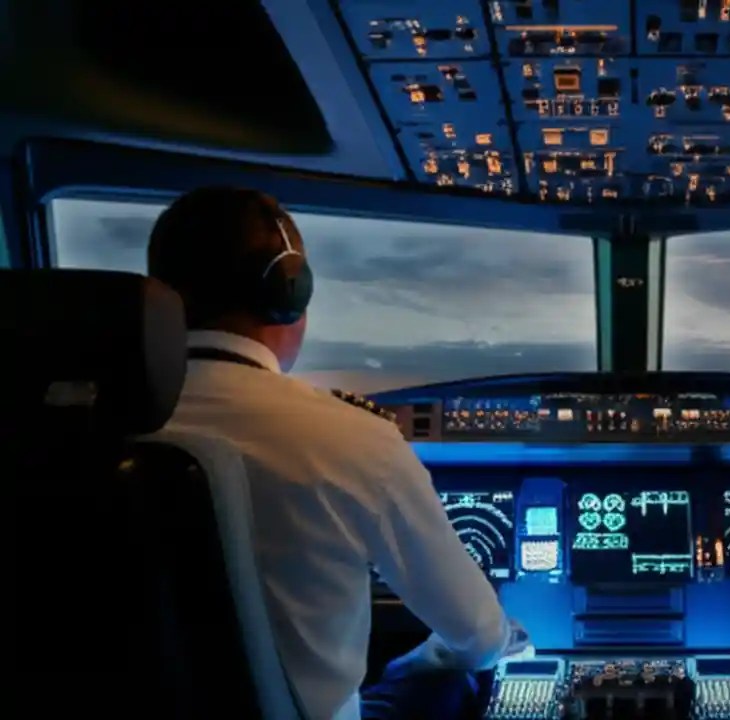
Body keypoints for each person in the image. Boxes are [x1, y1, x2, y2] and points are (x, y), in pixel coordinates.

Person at [147, 186, 529, 720]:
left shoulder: (65, 434)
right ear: (291, 290)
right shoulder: (353, 440)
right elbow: (482, 638)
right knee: (461, 681)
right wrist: (421, 661)